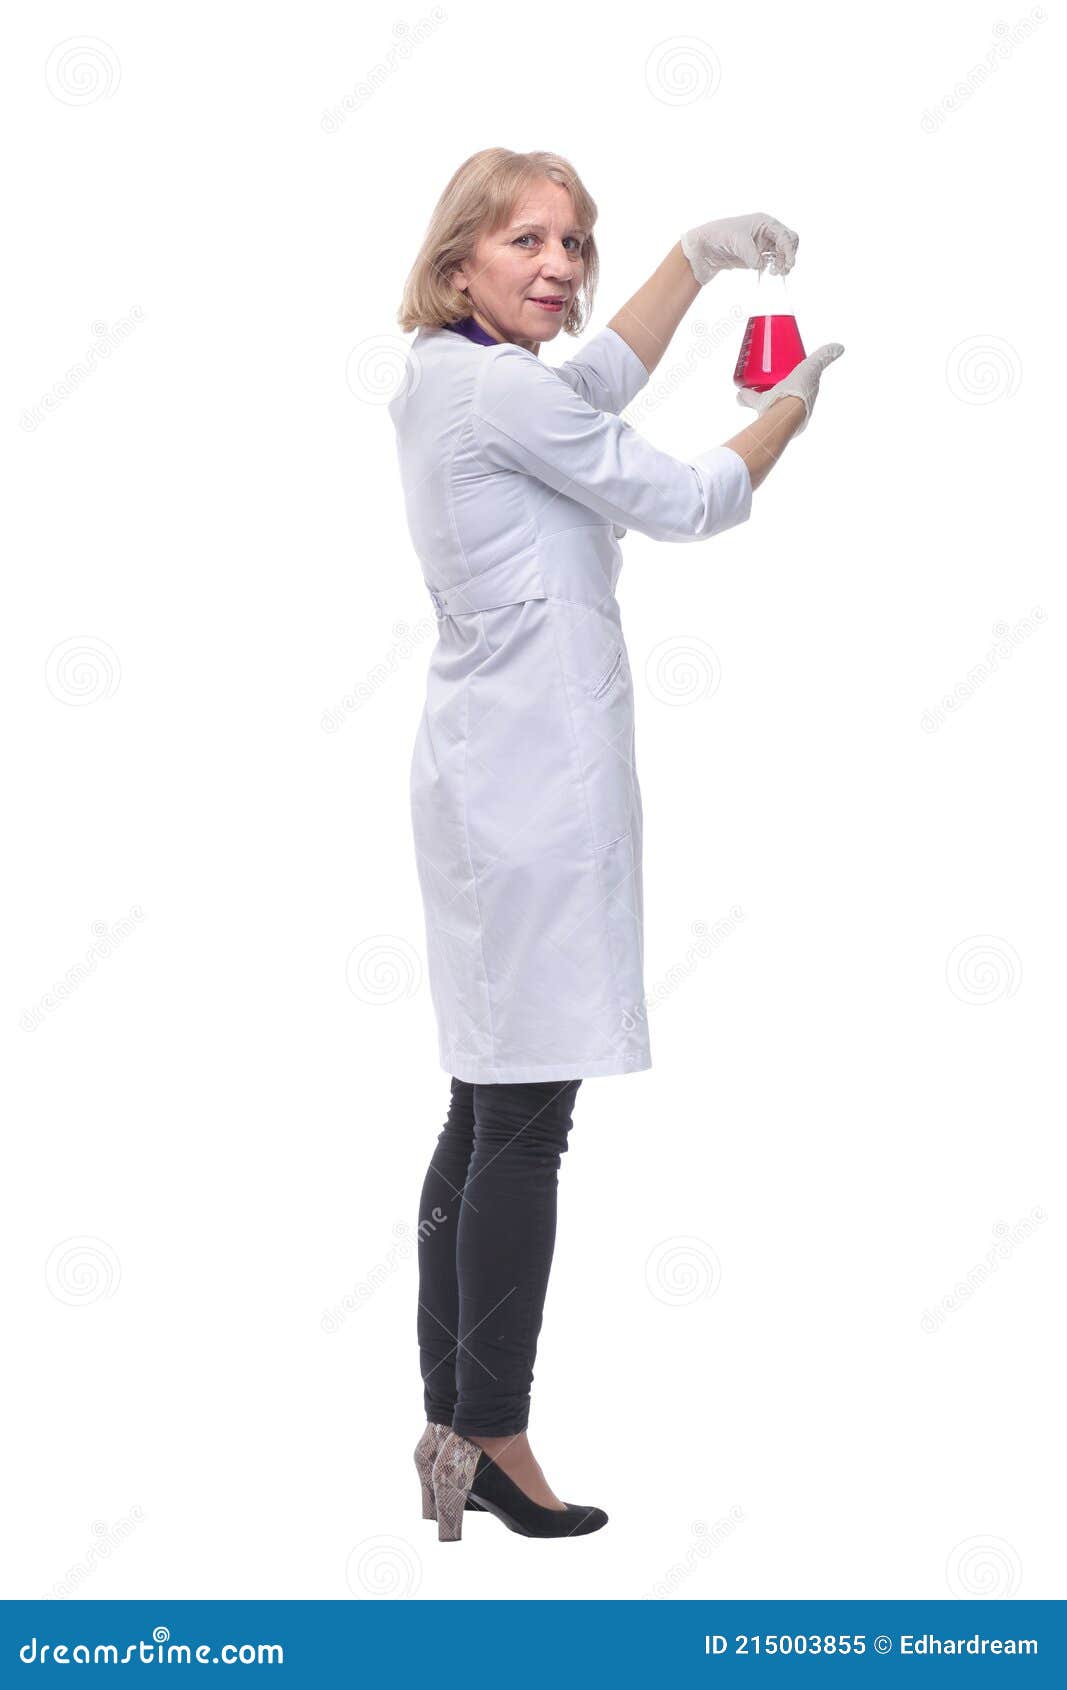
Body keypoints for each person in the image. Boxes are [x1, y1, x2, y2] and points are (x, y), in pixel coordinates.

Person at [390, 148, 844, 1541]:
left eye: (577, 242)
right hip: (530, 796)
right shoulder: (493, 388)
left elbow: (591, 385)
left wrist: (696, 260)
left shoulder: (450, 376)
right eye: (526, 239)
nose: (562, 266)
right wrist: (782, 417)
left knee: (483, 1105)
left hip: (488, 782)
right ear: (459, 257)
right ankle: (497, 1433)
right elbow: (689, 498)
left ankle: (450, 1428)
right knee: (526, 1119)